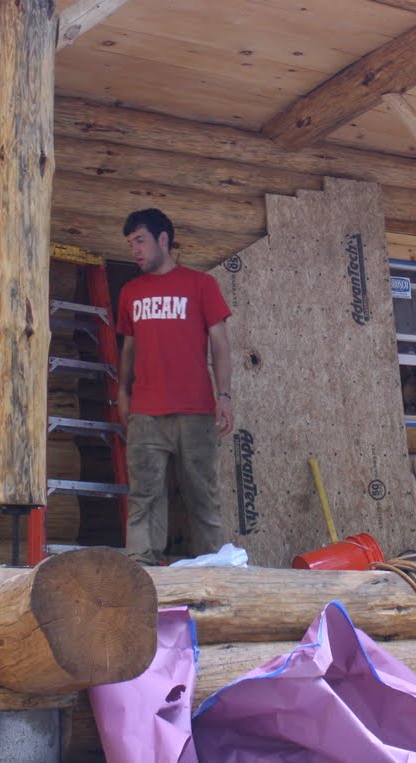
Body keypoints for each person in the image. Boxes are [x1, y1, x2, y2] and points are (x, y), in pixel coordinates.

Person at [114, 208, 233, 565]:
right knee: (144, 498)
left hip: (196, 411)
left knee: (203, 497)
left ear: (162, 239)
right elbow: (129, 348)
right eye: (131, 243)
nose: (135, 250)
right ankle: (142, 572)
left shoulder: (201, 285)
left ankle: (214, 574)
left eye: (140, 241)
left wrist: (224, 396)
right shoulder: (131, 292)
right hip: (146, 413)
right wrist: (123, 393)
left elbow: (221, 345)